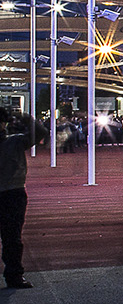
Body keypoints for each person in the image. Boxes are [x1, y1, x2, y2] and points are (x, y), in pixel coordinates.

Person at [2, 111, 33, 290]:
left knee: (12, 238)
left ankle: (14, 274)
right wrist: (24, 117)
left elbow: (41, 132)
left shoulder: (14, 141)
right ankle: (14, 275)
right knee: (12, 237)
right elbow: (40, 132)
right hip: (13, 192)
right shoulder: (15, 141)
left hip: (13, 192)